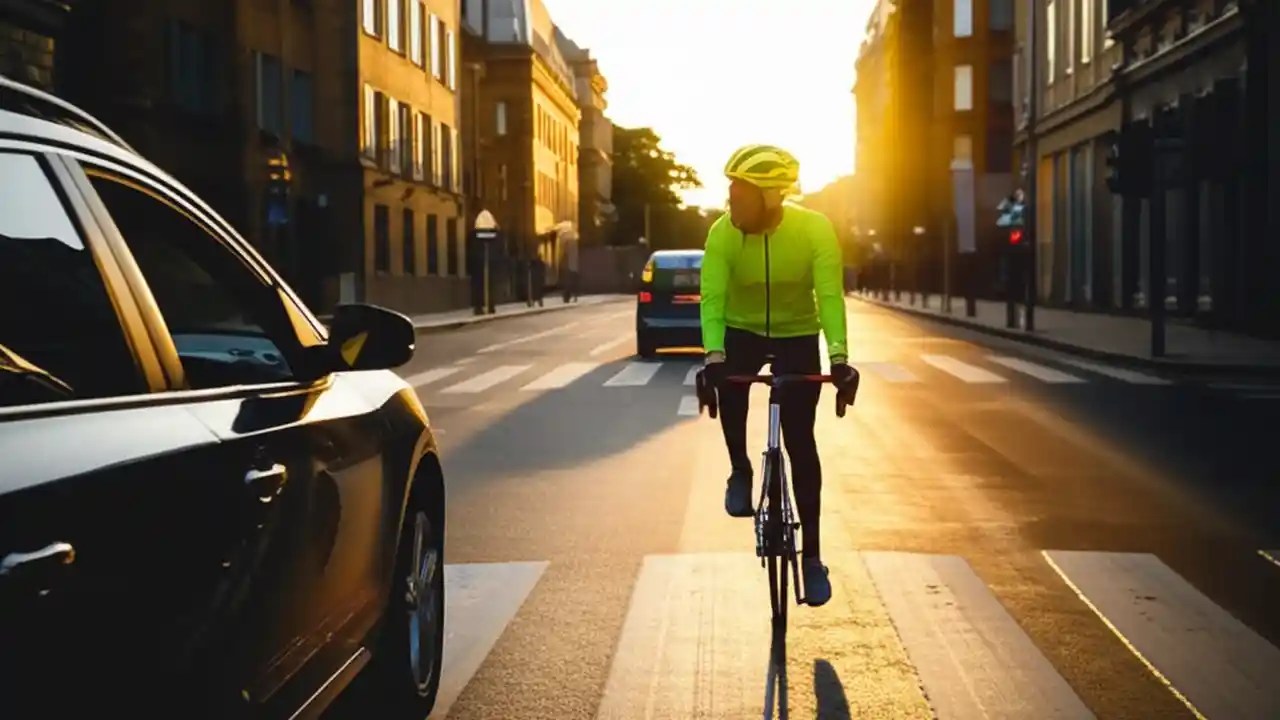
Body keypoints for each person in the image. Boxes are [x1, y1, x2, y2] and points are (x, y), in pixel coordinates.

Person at [696, 144, 856, 607]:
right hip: (741, 328)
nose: (731, 202)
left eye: (739, 193)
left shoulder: (814, 230)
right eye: (729, 191)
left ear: (770, 197)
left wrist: (840, 359)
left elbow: (829, 297)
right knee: (731, 387)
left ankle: (812, 558)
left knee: (800, 440)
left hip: (796, 332)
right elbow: (712, 299)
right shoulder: (723, 233)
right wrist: (713, 356)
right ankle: (740, 470)